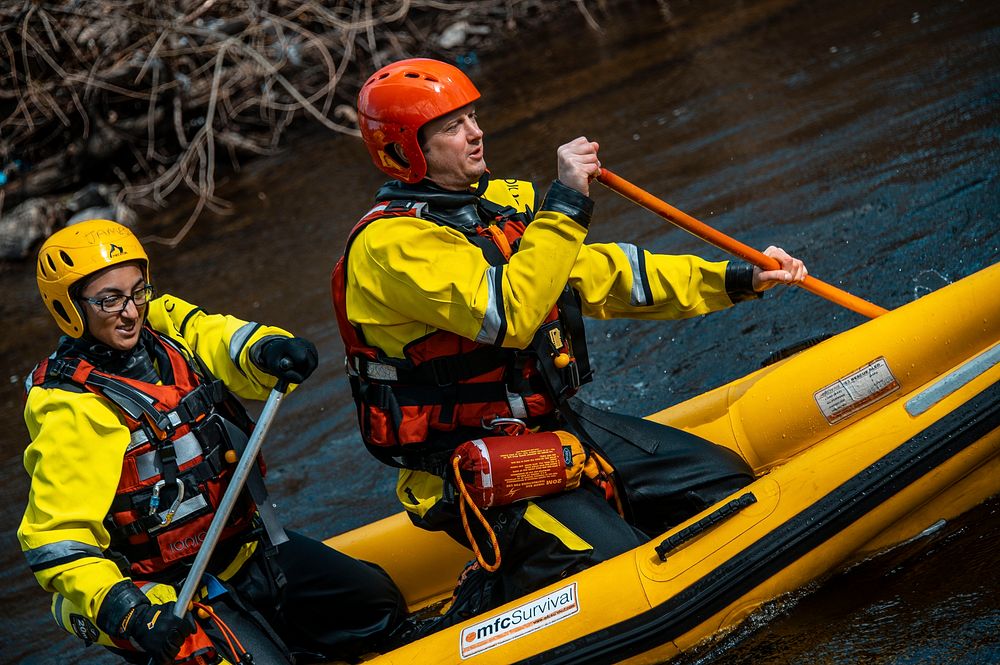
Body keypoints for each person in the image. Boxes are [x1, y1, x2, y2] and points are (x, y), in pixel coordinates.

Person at [331, 58, 808, 616]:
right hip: (469, 468)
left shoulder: (496, 204)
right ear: (406, 150)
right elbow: (511, 315)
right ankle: (492, 591)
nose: (476, 133)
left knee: (722, 480)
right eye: (453, 127)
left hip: (552, 429)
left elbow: (602, 275)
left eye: (473, 117)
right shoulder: (388, 248)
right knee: (623, 571)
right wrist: (565, 203)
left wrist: (737, 279)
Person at [19, 219, 407, 664]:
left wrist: (267, 349)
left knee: (379, 607)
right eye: (109, 300)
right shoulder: (69, 407)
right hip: (166, 593)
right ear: (71, 308)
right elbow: (57, 537)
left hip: (244, 550)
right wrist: (129, 613)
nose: (130, 312)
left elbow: (221, 337)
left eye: (137, 291)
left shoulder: (164, 325)